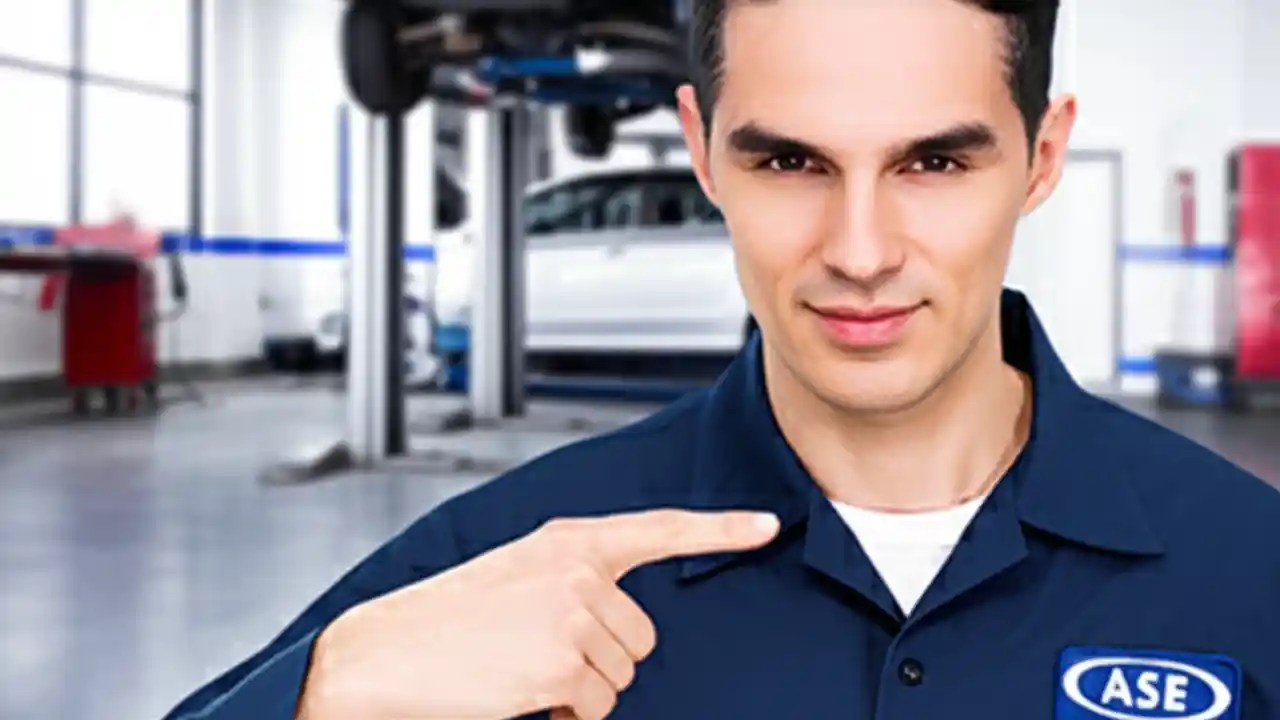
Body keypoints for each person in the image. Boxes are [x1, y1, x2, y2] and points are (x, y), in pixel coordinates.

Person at [167, 1, 1280, 718]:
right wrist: (331, 693)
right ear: (701, 150)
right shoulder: (508, 566)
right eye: (791, 160)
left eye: (933, 162)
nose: (858, 253)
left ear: (1039, 158)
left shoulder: (1248, 570)